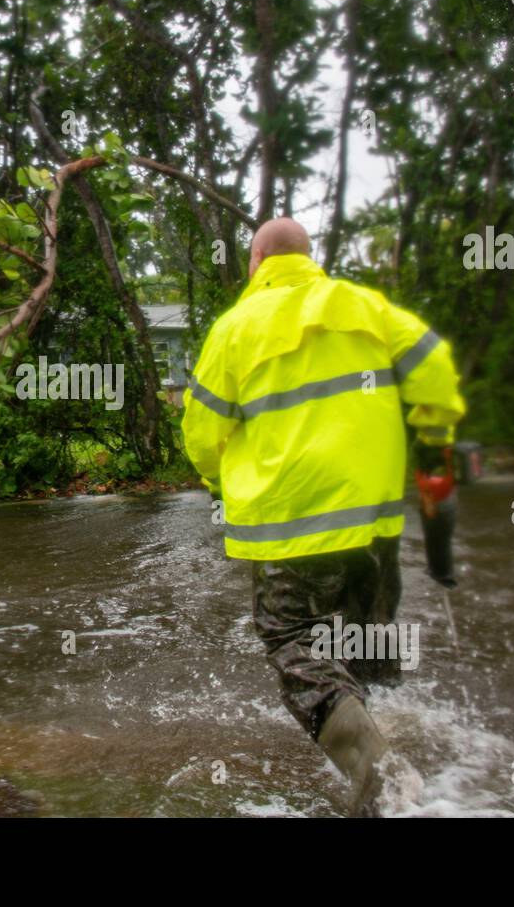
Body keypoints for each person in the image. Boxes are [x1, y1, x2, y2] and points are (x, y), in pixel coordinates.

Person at [182, 218, 465, 813]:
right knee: (361, 645)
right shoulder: (364, 306)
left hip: (289, 528)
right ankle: (417, 765)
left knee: (294, 642)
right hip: (373, 528)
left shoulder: (234, 330)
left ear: (256, 264)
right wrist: (434, 438)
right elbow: (435, 366)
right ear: (308, 258)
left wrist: (215, 484)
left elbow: (202, 433)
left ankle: (380, 776)